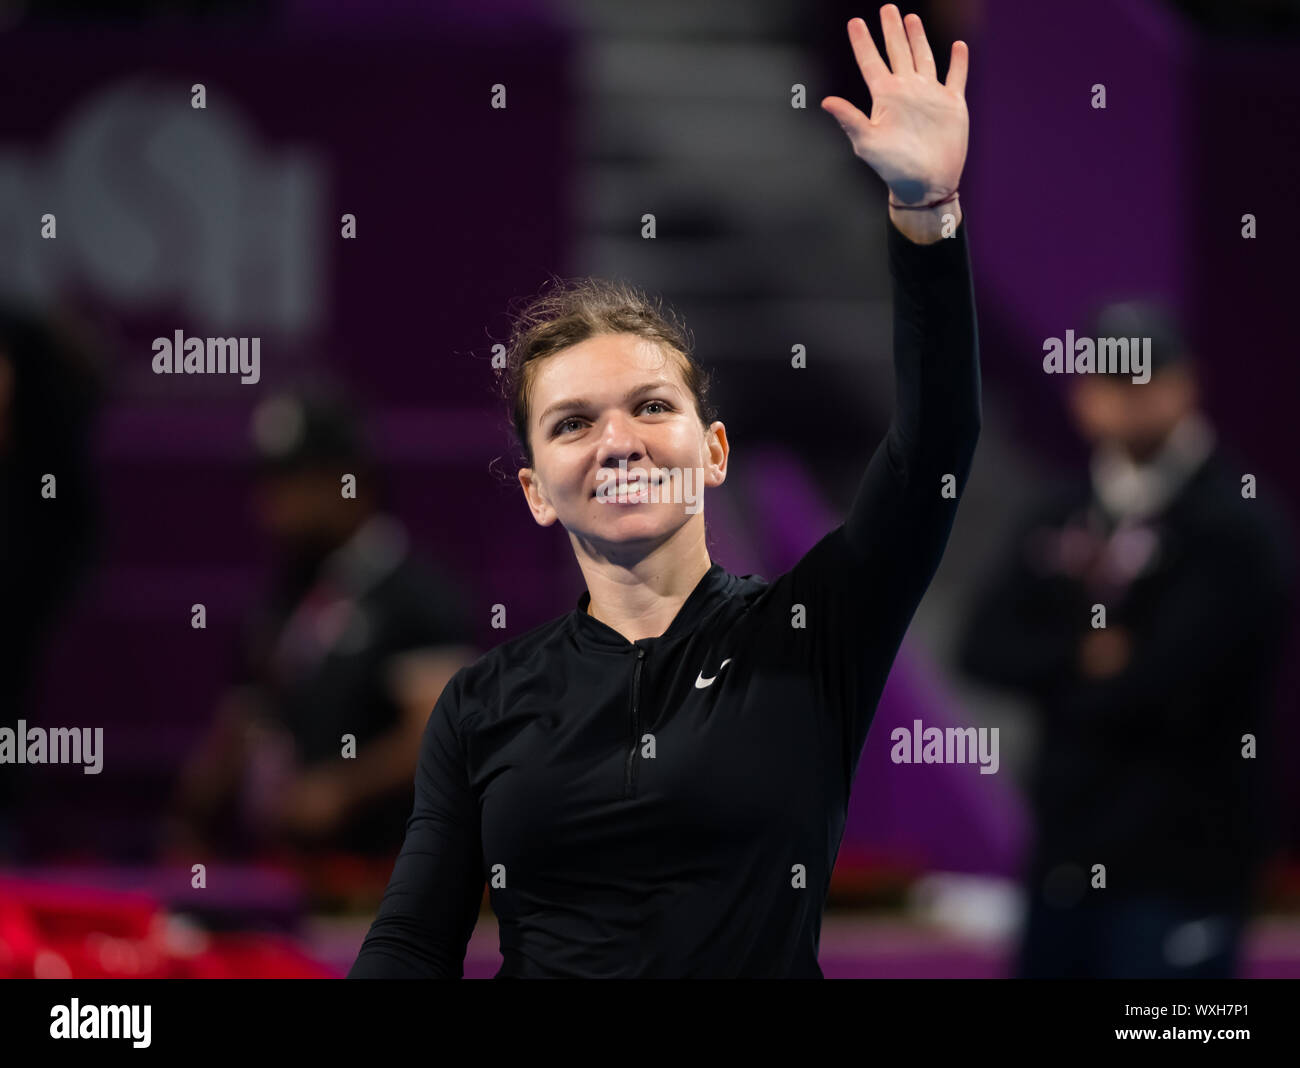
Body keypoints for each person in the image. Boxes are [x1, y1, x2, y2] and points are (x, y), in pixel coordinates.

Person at [350, 5, 978, 977]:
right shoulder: (482, 705)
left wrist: (926, 217)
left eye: (650, 405)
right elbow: (409, 943)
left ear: (713, 449)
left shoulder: (812, 638)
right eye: (571, 423)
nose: (617, 442)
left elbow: (935, 441)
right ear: (535, 492)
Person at [957, 302, 1297, 978]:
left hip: (1186, 861)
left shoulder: (1237, 525)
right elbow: (982, 646)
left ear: (1184, 385)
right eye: (1110, 382)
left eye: (1144, 381)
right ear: (1085, 394)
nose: (1126, 400)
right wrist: (1084, 657)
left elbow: (1171, 679)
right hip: (1066, 852)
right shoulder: (1062, 513)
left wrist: (1075, 666)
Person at [167, 384, 478, 861]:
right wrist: (194, 814)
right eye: (269, 482)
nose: (275, 503)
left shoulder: (416, 594)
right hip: (286, 875)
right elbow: (247, 712)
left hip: (386, 880)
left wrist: (340, 789)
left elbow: (441, 731)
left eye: (297, 481)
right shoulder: (287, 594)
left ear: (351, 480)